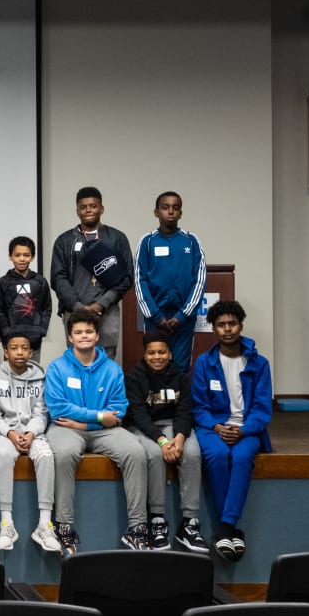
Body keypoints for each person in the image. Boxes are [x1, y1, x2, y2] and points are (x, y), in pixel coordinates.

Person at [44, 309, 149, 557]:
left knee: (136, 451)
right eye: (78, 332)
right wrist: (99, 417)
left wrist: (85, 424)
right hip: (65, 429)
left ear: (97, 335)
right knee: (65, 453)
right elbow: (59, 408)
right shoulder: (57, 368)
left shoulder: (112, 369)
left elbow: (119, 409)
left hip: (98, 431)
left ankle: (137, 527)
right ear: (70, 337)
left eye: (88, 331)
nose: (84, 336)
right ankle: (64, 526)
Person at [192, 300, 271, 562]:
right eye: (221, 325)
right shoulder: (204, 362)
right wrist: (216, 426)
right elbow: (199, 406)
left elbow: (262, 409)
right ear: (214, 329)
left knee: (240, 458)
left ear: (241, 326)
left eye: (232, 324)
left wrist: (244, 430)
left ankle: (225, 527)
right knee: (215, 456)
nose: (227, 329)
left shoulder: (259, 364)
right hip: (212, 427)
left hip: (247, 430)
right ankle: (230, 530)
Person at [125, 330, 206, 553]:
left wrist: (180, 438)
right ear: (145, 354)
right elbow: (138, 415)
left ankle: (190, 523)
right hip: (144, 427)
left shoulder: (180, 376)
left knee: (191, 452)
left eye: (162, 352)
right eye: (152, 353)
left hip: (174, 426)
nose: (157, 357)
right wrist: (162, 442)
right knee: (152, 454)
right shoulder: (134, 377)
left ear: (170, 354)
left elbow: (185, 411)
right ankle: (157, 520)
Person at [0, 334, 61, 554]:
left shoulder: (41, 378)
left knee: (46, 456)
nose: (19, 352)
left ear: (31, 353)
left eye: (24, 348)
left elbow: (42, 413)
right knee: (4, 455)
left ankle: (45, 525)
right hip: (4, 433)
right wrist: (9, 433)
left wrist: (31, 433)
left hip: (32, 432)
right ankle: (7, 523)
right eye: (14, 348)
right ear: (6, 352)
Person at [50, 187, 133, 359]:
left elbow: (126, 277)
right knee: (76, 358)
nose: (88, 210)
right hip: (74, 311)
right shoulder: (64, 240)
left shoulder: (117, 238)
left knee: (107, 357)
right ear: (77, 211)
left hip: (107, 311)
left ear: (102, 208)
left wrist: (101, 304)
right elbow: (58, 278)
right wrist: (79, 308)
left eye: (93, 206)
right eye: (83, 206)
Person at [134, 192, 207, 371]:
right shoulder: (147, 242)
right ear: (156, 212)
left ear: (180, 213)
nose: (171, 211)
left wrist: (182, 315)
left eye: (175, 208)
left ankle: (178, 400)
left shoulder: (191, 241)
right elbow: (139, 280)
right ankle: (155, 400)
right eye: (165, 207)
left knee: (180, 367)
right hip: (155, 317)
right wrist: (155, 315)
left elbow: (200, 280)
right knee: (154, 364)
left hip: (183, 319)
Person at [0, 236, 53, 361]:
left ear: (32, 257)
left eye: (26, 255)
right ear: (10, 256)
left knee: (33, 373)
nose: (22, 259)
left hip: (34, 339)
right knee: (11, 375)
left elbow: (46, 308)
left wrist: (40, 330)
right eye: (17, 255)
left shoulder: (40, 281)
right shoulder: (3, 283)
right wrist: (7, 332)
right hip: (11, 339)